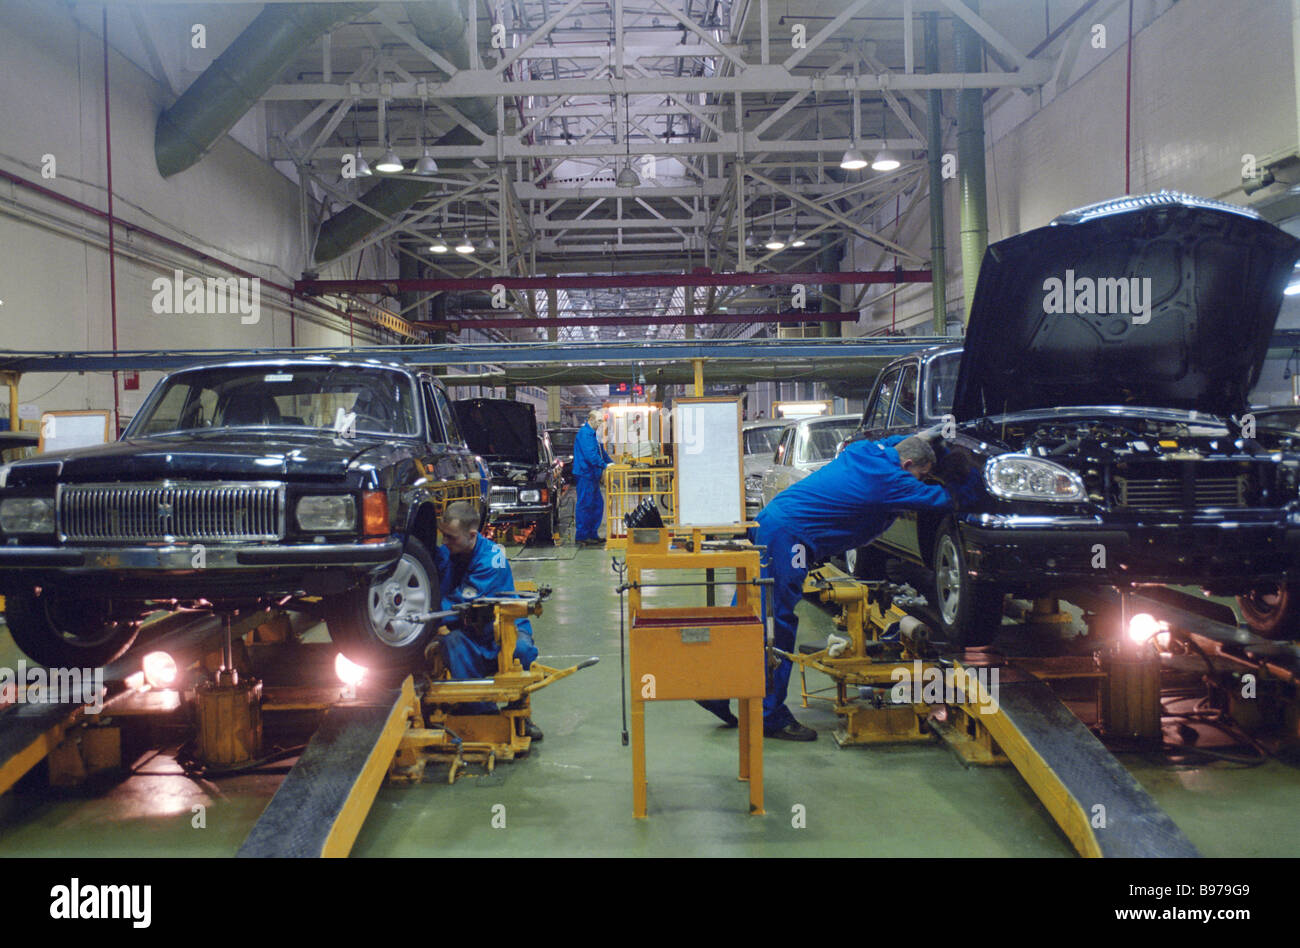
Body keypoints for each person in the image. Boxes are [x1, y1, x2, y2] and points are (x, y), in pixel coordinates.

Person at [700, 433, 978, 741]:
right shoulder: (891, 481)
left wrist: (930, 436)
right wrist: (970, 472)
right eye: (921, 475)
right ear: (908, 464)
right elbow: (949, 501)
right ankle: (770, 716)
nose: (921, 482)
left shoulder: (865, 450)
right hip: (790, 536)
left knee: (746, 615)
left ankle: (715, 688)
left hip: (773, 521)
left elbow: (896, 440)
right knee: (776, 623)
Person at [429, 501, 543, 739]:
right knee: (452, 643)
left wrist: (420, 616)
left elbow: (457, 604)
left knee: (520, 651)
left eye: (451, 537)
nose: (445, 543)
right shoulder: (449, 553)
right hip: (470, 633)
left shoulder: (490, 560)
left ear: (472, 535)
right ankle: (484, 713)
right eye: (443, 536)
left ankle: (520, 714)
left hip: (503, 632)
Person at [572, 408, 614, 547]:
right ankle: (582, 536)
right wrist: (604, 465)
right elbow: (591, 456)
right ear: (590, 419)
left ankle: (592, 534)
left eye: (601, 421)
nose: (600, 424)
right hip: (585, 475)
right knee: (585, 505)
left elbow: (600, 451)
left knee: (596, 504)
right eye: (598, 421)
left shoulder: (593, 434)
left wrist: (611, 463)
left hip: (592, 475)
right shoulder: (584, 434)